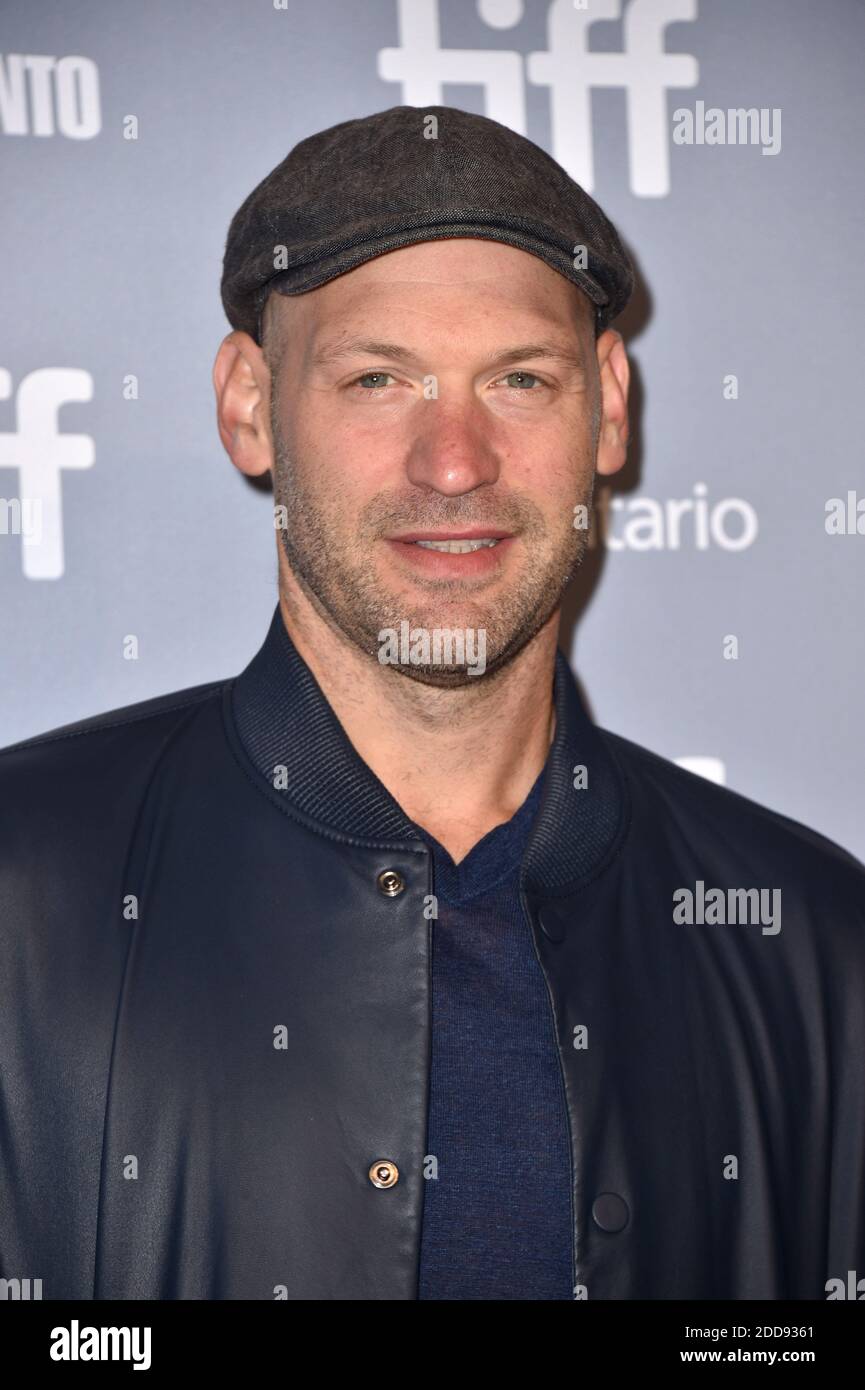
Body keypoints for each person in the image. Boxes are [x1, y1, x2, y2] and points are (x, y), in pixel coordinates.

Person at [1, 105, 863, 1302]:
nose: (452, 462)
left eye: (518, 377)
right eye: (376, 378)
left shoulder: (814, 943)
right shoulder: (18, 891)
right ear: (249, 402)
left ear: (608, 405)